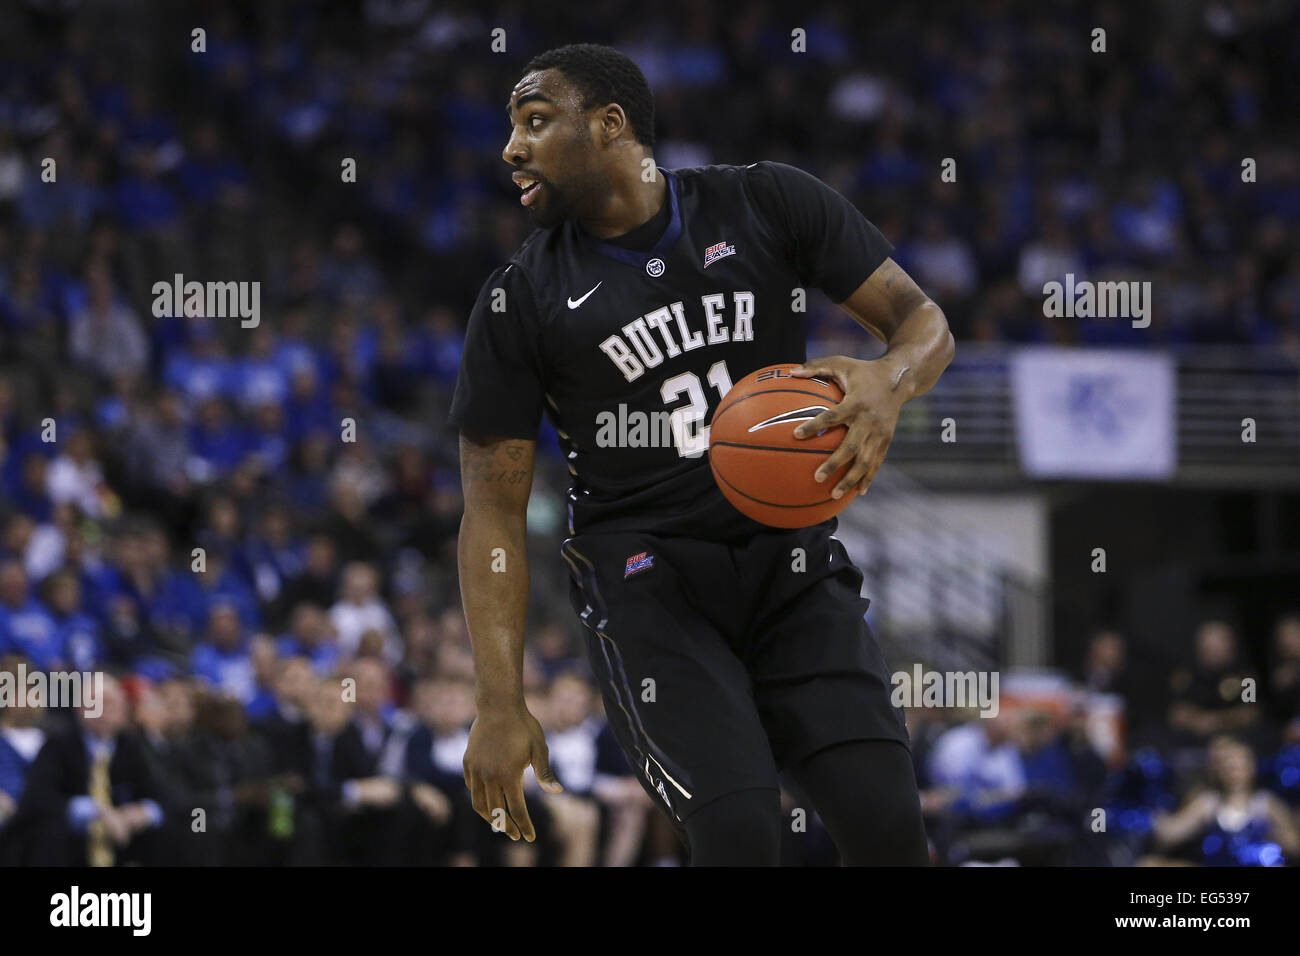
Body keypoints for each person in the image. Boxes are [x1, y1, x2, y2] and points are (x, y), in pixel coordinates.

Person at [450, 44, 953, 865]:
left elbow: (921, 321)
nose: (512, 149)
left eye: (535, 122)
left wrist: (889, 380)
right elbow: (494, 515)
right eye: (513, 129)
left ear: (610, 126)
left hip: (792, 567)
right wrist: (499, 701)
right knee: (739, 833)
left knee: (891, 829)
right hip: (650, 587)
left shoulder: (766, 202)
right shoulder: (519, 297)